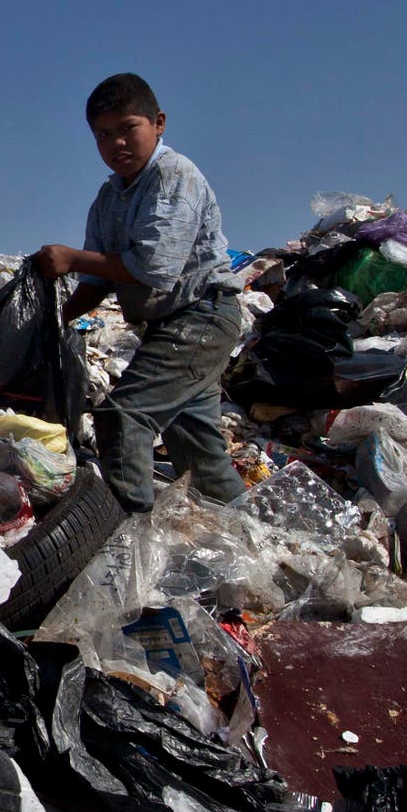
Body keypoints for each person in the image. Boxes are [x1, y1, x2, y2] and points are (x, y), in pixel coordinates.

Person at [28, 73, 245, 513]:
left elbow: (153, 267)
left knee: (122, 417)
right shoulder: (109, 199)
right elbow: (97, 281)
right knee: (198, 451)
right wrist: (53, 321)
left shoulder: (173, 175)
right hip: (170, 326)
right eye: (103, 135)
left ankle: (130, 535)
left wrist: (71, 257)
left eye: (128, 128)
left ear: (158, 123)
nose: (117, 144)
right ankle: (250, 534)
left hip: (202, 316)